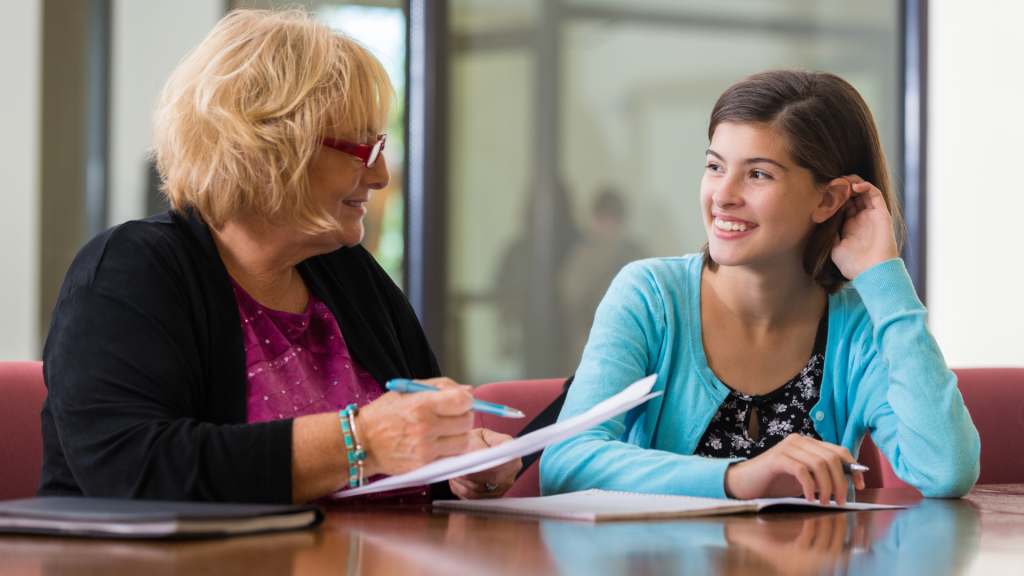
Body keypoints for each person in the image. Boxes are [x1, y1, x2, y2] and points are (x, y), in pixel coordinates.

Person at [39, 9, 519, 504]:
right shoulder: (128, 272)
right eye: (360, 149)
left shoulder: (350, 273)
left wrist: (461, 463)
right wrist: (360, 441)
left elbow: (407, 462)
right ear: (267, 149)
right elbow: (136, 474)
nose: (379, 178)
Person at [540, 70, 980, 504]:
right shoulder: (650, 295)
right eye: (715, 166)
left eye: (758, 175)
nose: (722, 195)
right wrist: (739, 478)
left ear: (827, 200)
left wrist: (884, 277)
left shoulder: (861, 326)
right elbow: (567, 464)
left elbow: (945, 470)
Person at [558, 189, 646, 374]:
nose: (606, 226)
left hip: (601, 350)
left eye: (610, 219)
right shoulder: (585, 256)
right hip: (600, 349)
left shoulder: (584, 255)